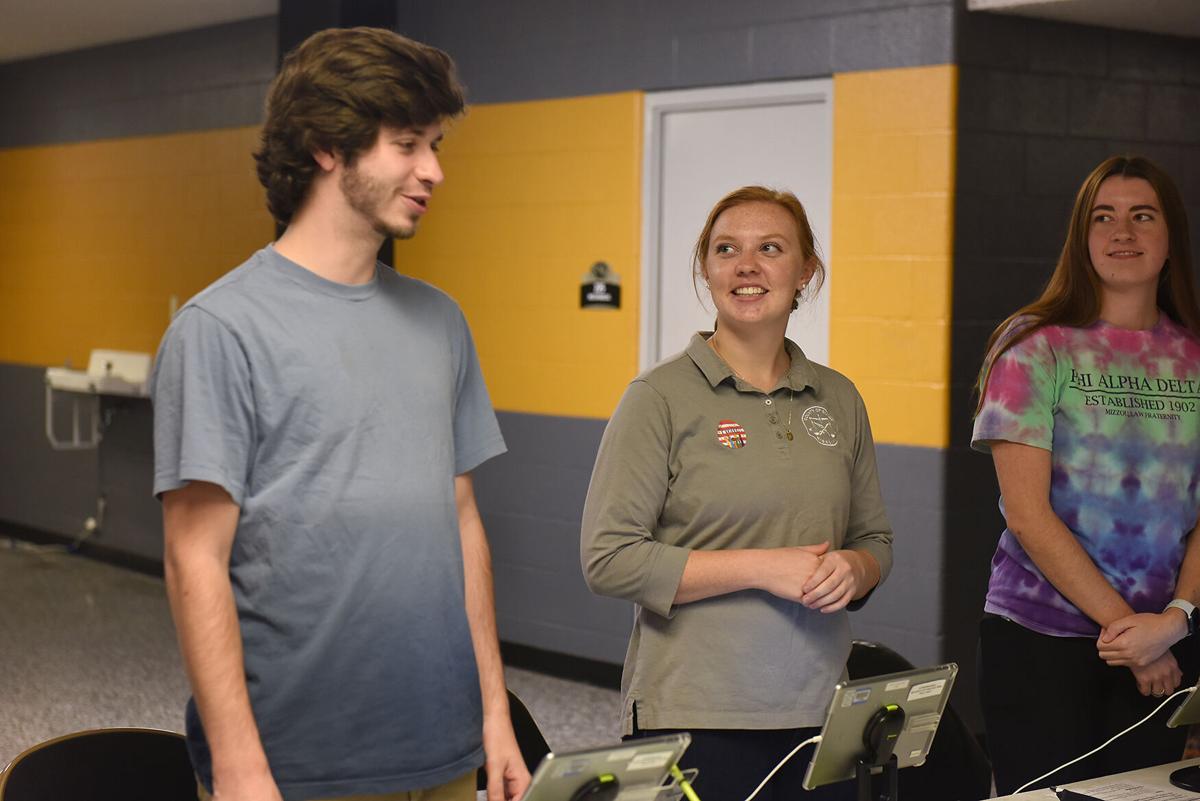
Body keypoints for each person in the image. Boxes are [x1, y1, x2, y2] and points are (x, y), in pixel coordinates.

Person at [150, 27, 529, 801]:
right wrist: (239, 765)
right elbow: (195, 559)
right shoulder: (221, 328)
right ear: (328, 147)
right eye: (407, 145)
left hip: (447, 745)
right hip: (299, 766)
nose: (434, 170)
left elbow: (461, 522)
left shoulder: (441, 320)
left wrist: (495, 713)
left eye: (435, 144)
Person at [580, 186, 893, 801]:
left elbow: (874, 539)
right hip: (693, 715)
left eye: (769, 248)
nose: (746, 266)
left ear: (806, 270)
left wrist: (855, 569)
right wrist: (761, 569)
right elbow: (607, 559)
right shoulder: (658, 399)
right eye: (727, 249)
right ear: (707, 269)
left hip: (819, 710)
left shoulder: (839, 398)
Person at [972, 155, 1200, 794]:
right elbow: (1027, 514)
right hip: (1042, 639)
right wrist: (1128, 631)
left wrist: (1176, 620)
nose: (1121, 231)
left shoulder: (1194, 355)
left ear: (1169, 236)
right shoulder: (1034, 344)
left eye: (1141, 216)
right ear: (1083, 236)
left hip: (1164, 641)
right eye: (1104, 217)